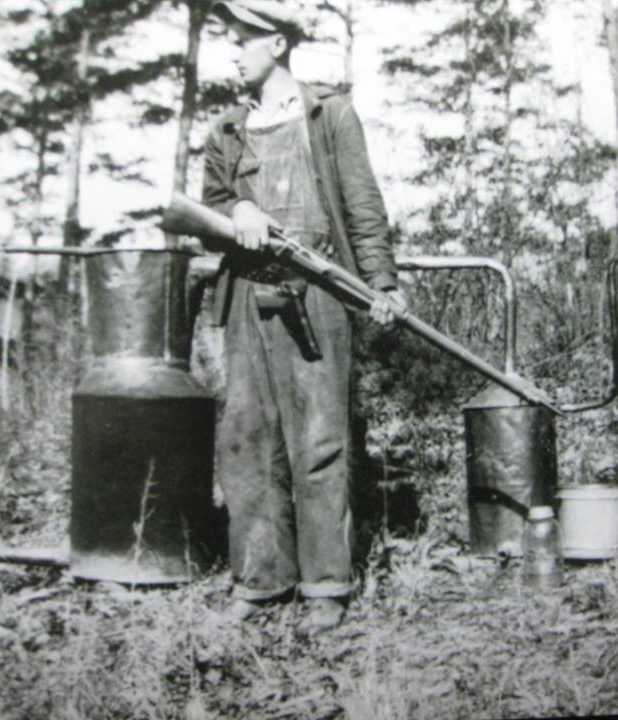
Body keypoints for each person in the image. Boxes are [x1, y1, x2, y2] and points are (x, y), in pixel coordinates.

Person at [199, 0, 405, 636]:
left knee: (318, 442)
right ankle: (262, 581)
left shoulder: (331, 115)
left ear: (278, 45)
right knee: (249, 445)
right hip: (244, 303)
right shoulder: (226, 131)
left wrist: (383, 283)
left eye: (241, 41)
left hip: (318, 294)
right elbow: (208, 205)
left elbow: (362, 206)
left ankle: (325, 585)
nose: (231, 53)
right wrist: (238, 208)